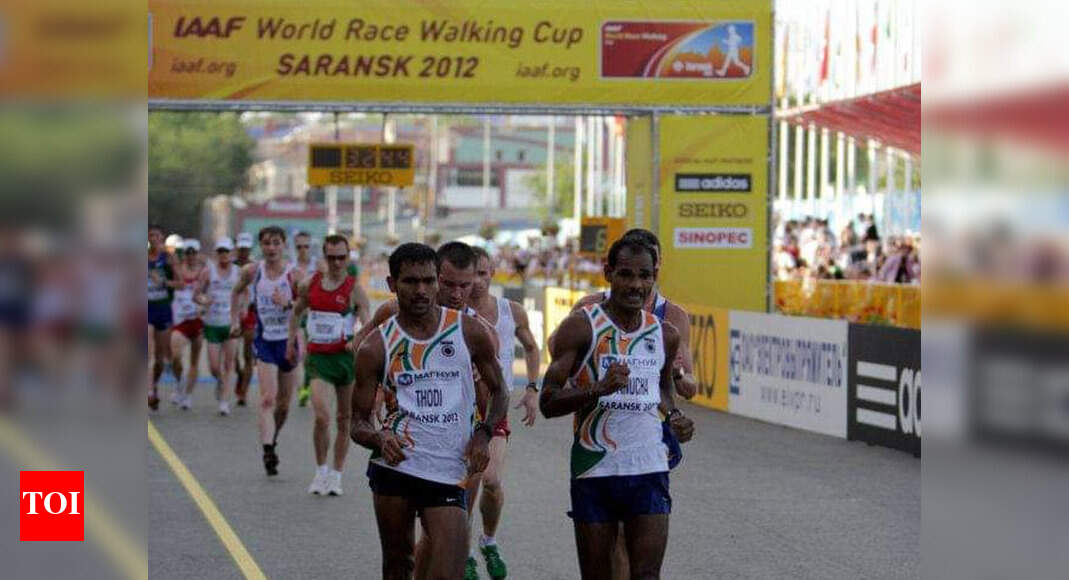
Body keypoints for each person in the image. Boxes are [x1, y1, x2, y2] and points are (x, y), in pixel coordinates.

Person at [350, 242, 509, 580]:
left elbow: (500, 391)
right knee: (398, 565)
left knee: (449, 569)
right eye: (410, 282)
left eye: (427, 281)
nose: (420, 290)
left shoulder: (468, 331)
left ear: (437, 280)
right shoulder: (376, 346)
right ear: (393, 285)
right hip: (396, 467)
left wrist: (484, 433)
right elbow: (358, 423)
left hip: (449, 468)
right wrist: (378, 438)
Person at [540, 236, 695, 580]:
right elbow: (547, 402)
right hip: (595, 468)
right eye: (626, 274)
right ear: (608, 273)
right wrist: (598, 388)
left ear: (655, 276)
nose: (636, 285)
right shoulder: (582, 326)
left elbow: (664, 389)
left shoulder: (664, 333)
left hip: (649, 468)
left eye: (644, 276)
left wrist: (675, 416)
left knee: (647, 575)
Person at [463, 246, 542, 580]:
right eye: (471, 275)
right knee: (467, 486)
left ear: (493, 271)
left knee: (491, 481)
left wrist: (532, 389)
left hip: (494, 409)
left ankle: (489, 541)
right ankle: (463, 552)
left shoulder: (512, 311)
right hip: (458, 410)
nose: (478, 282)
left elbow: (533, 347)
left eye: (483, 273)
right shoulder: (450, 312)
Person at [287, 234, 371, 496]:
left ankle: (336, 474)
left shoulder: (354, 288)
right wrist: (291, 340)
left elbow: (368, 321)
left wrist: (356, 340)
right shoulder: (310, 284)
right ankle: (320, 470)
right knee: (322, 416)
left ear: (348, 258)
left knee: (344, 419)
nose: (336, 263)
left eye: (341, 257)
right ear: (324, 257)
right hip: (318, 358)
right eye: (331, 257)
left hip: (345, 360)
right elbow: (297, 310)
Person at [230, 226, 302, 476]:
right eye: (267, 244)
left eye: (276, 243)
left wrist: (289, 303)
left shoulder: (295, 275)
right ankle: (268, 449)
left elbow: (309, 305)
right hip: (265, 341)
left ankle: (273, 437)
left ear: (283, 245)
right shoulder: (252, 271)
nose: (271, 248)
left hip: (289, 342)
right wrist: (235, 320)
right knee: (267, 399)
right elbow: (236, 291)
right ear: (261, 246)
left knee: (284, 405)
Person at [196, 237, 240, 416]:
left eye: (226, 252)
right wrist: (204, 300)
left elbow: (244, 294)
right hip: (212, 324)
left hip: (230, 324)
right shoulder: (208, 272)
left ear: (232, 254)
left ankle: (224, 401)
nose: (223, 255)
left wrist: (241, 310)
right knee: (214, 366)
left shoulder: (238, 272)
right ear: (216, 254)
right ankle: (220, 382)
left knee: (229, 363)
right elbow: (196, 294)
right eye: (220, 252)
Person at [170, 238, 206, 410]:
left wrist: (204, 306)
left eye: (193, 252)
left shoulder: (204, 272)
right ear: (183, 254)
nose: (191, 256)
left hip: (197, 320)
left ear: (198, 254)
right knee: (175, 355)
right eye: (187, 252)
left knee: (194, 360)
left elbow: (212, 294)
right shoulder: (176, 270)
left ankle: (188, 395)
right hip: (180, 320)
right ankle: (179, 383)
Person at [147, 224, 179, 410]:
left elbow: (181, 283)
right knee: (148, 353)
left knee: (160, 358)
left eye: (157, 236)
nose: (153, 239)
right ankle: (149, 391)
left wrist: (164, 281)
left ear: (162, 238)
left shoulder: (168, 259)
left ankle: (154, 385)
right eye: (150, 235)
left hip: (163, 309)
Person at [294, 231, 321, 408]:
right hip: (297, 315)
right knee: (302, 354)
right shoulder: (291, 267)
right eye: (299, 247)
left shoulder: (318, 266)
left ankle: (305, 387)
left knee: (310, 355)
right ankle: (303, 387)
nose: (303, 250)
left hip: (314, 315)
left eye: (306, 246)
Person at [233, 232, 256, 406]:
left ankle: (243, 393)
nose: (243, 252)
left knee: (247, 354)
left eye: (246, 249)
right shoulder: (230, 265)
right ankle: (239, 374)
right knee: (232, 355)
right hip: (233, 312)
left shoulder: (256, 268)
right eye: (241, 248)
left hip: (251, 312)